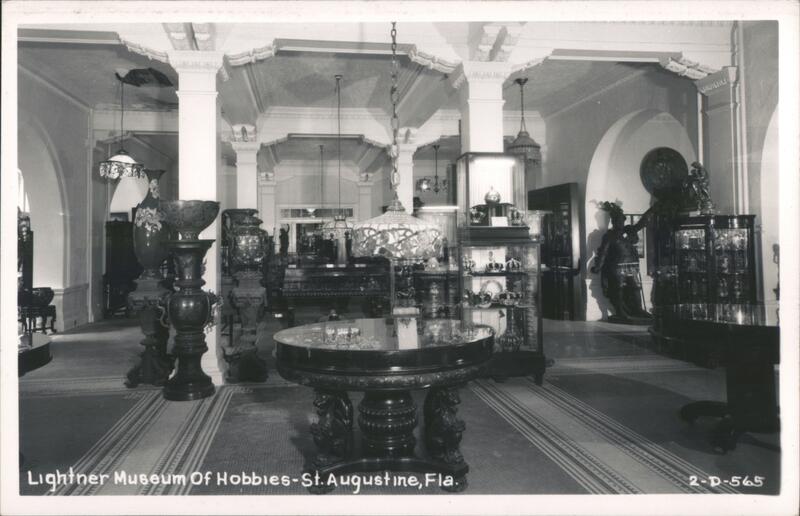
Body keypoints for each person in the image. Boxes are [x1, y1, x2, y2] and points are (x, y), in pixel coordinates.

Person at [590, 202, 653, 322]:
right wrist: (598, 266)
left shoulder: (628, 231)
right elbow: (603, 252)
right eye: (617, 220)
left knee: (635, 287)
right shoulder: (609, 236)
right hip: (617, 266)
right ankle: (620, 311)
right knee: (618, 288)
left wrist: (649, 213)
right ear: (613, 222)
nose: (620, 223)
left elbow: (640, 225)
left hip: (631, 265)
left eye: (621, 220)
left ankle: (638, 309)